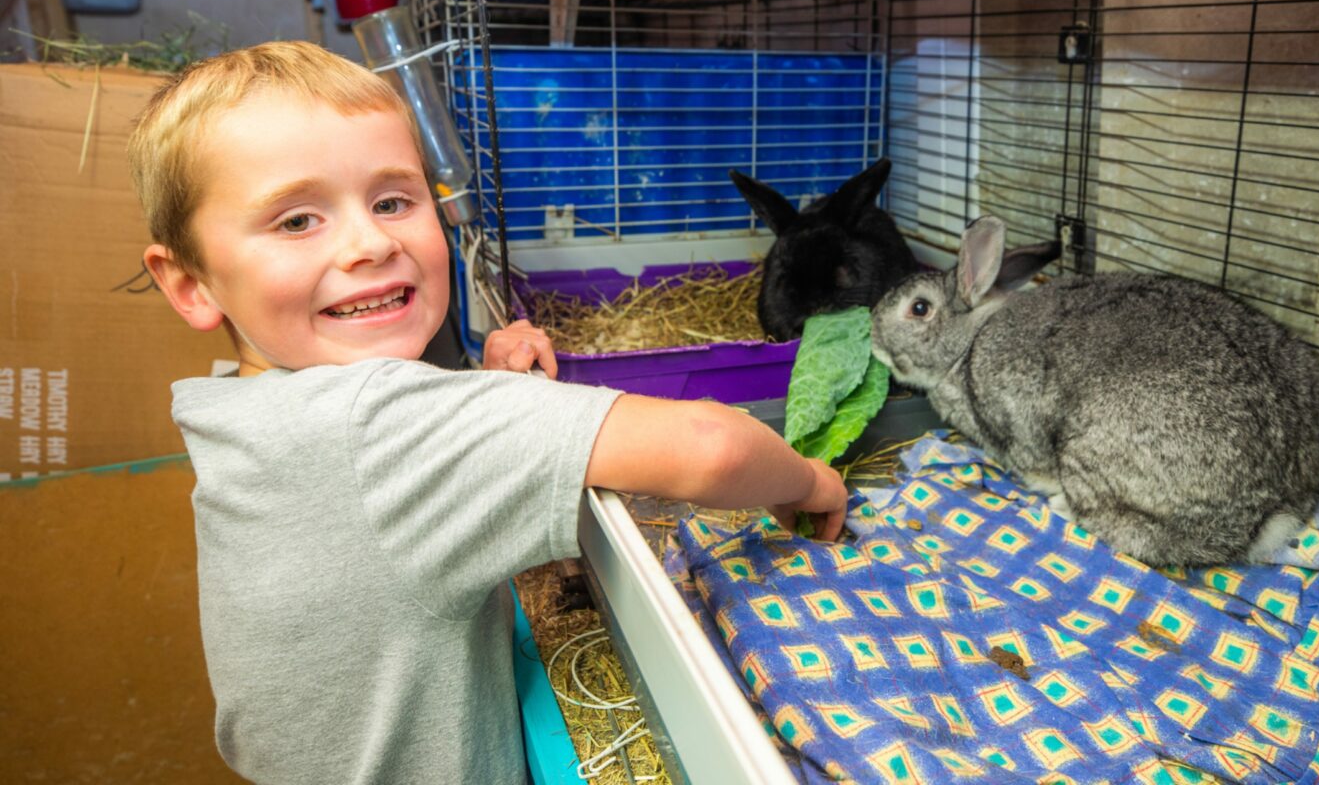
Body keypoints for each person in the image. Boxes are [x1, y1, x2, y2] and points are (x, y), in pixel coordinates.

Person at [127, 40, 847, 784]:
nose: (370, 243)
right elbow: (711, 446)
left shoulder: (243, 407)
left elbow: (394, 492)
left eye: (392, 201)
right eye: (296, 221)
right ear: (189, 285)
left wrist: (488, 389)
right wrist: (809, 481)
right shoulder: (372, 426)